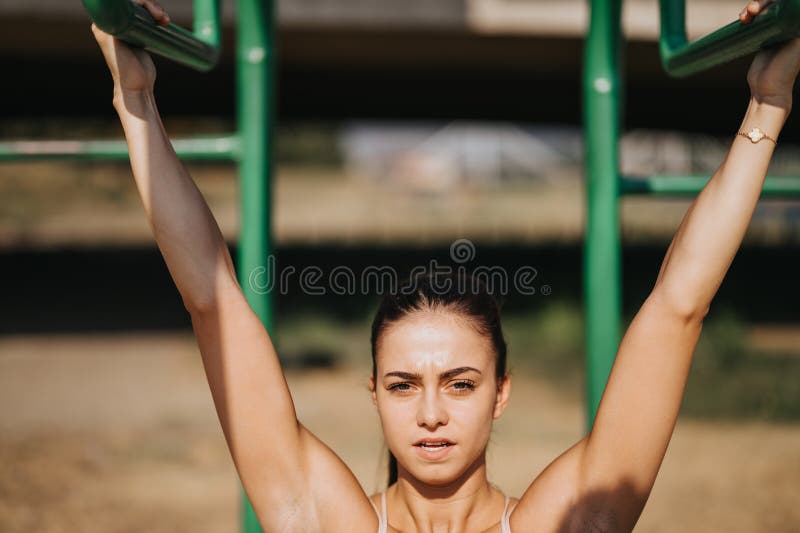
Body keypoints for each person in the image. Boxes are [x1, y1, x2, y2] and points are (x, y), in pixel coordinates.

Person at [91, 0, 798, 531]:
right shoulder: (324, 518)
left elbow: (678, 307)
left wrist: (766, 105)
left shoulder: (566, 520)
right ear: (374, 392)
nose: (431, 414)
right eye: (404, 385)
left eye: (460, 383)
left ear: (501, 391)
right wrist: (137, 102)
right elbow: (213, 300)